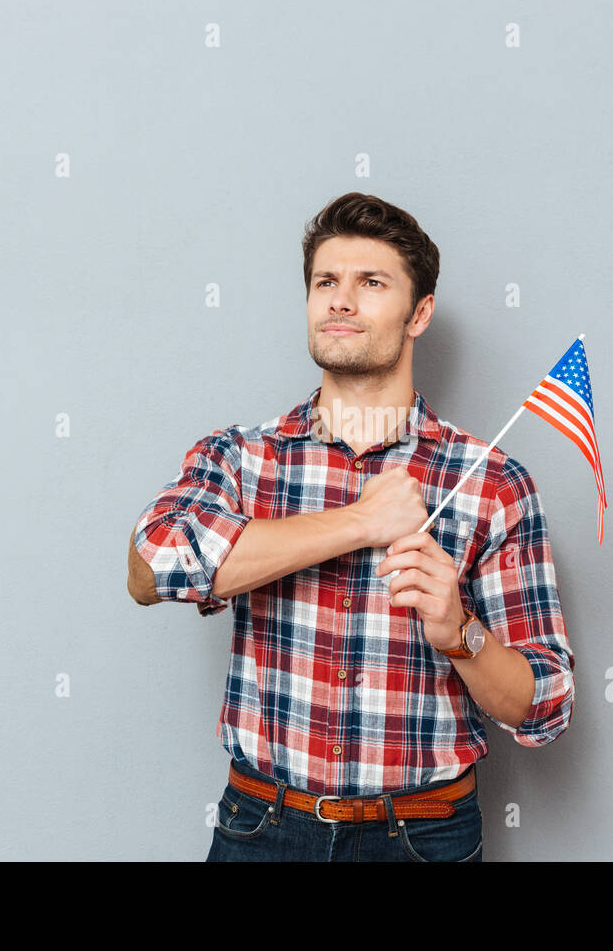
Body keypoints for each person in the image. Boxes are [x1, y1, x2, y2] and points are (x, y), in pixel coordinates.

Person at [127, 192, 574, 861]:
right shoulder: (245, 458)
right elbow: (148, 566)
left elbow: (545, 708)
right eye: (325, 282)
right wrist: (362, 522)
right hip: (261, 828)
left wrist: (461, 634)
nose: (341, 300)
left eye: (371, 283)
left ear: (419, 312)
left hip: (422, 835)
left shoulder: (490, 482)